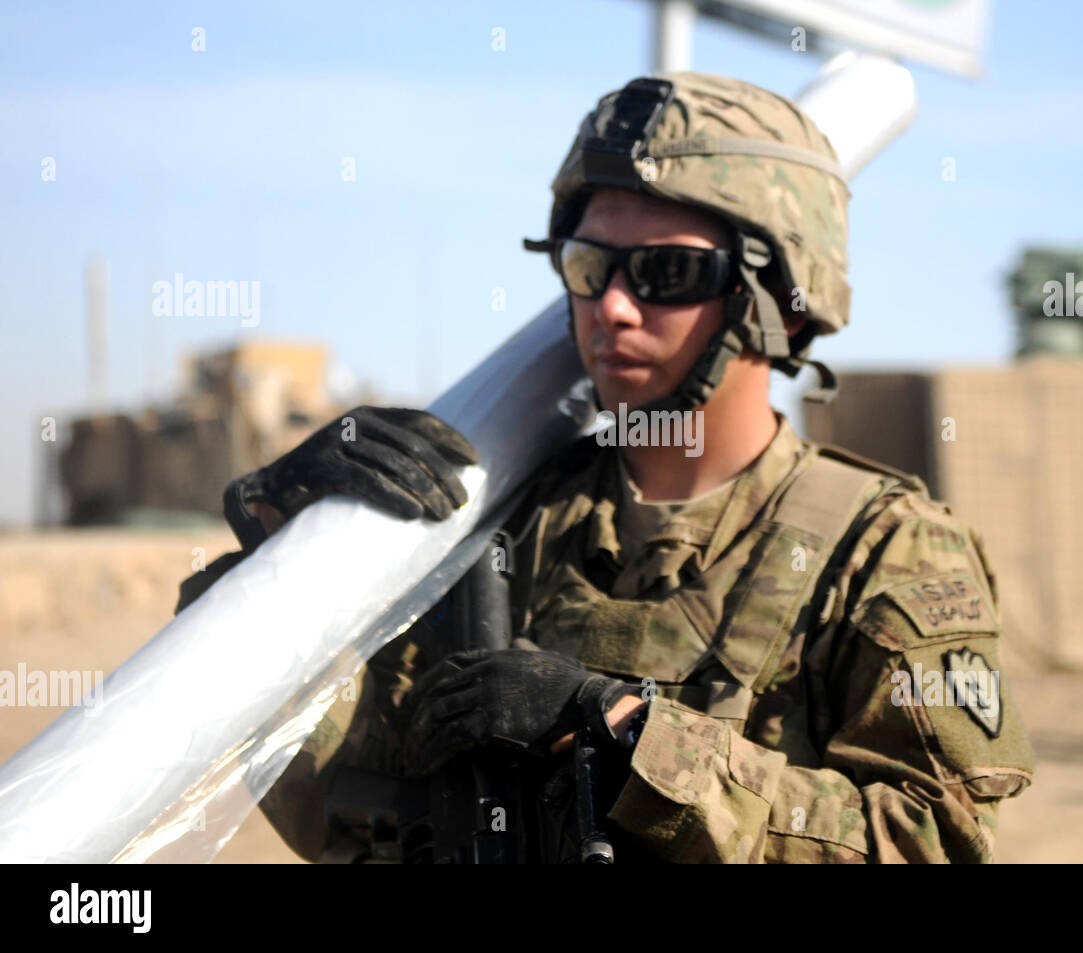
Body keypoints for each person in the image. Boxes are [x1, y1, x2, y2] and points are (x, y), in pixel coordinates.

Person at [177, 72, 1033, 863]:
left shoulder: (887, 550)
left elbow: (936, 839)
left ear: (777, 302)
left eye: (666, 271)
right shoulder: (501, 525)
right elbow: (352, 801)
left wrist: (622, 731)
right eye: (590, 268)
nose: (612, 307)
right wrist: (278, 553)